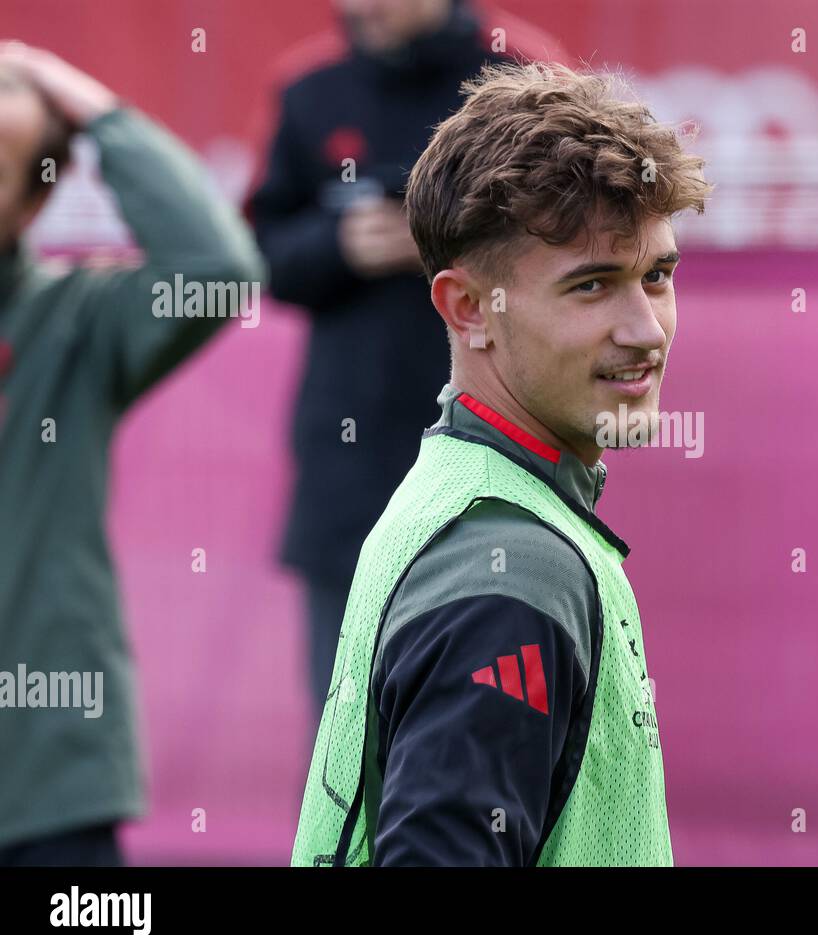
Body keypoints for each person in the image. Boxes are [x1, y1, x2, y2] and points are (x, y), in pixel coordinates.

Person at [291, 60, 710, 866]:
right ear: (468, 308)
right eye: (592, 286)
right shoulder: (508, 572)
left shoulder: (465, 493)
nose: (647, 330)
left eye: (657, 276)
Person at [247, 0, 557, 708]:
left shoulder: (520, 75)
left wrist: (449, 246)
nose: (361, 7)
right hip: (347, 462)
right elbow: (259, 255)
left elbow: (568, 250)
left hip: (495, 450)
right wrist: (339, 247)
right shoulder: (310, 88)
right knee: (345, 719)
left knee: (487, 717)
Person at [0, 42, 263, 865]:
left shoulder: (74, 323)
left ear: (27, 207)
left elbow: (217, 269)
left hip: (46, 790)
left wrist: (97, 111)